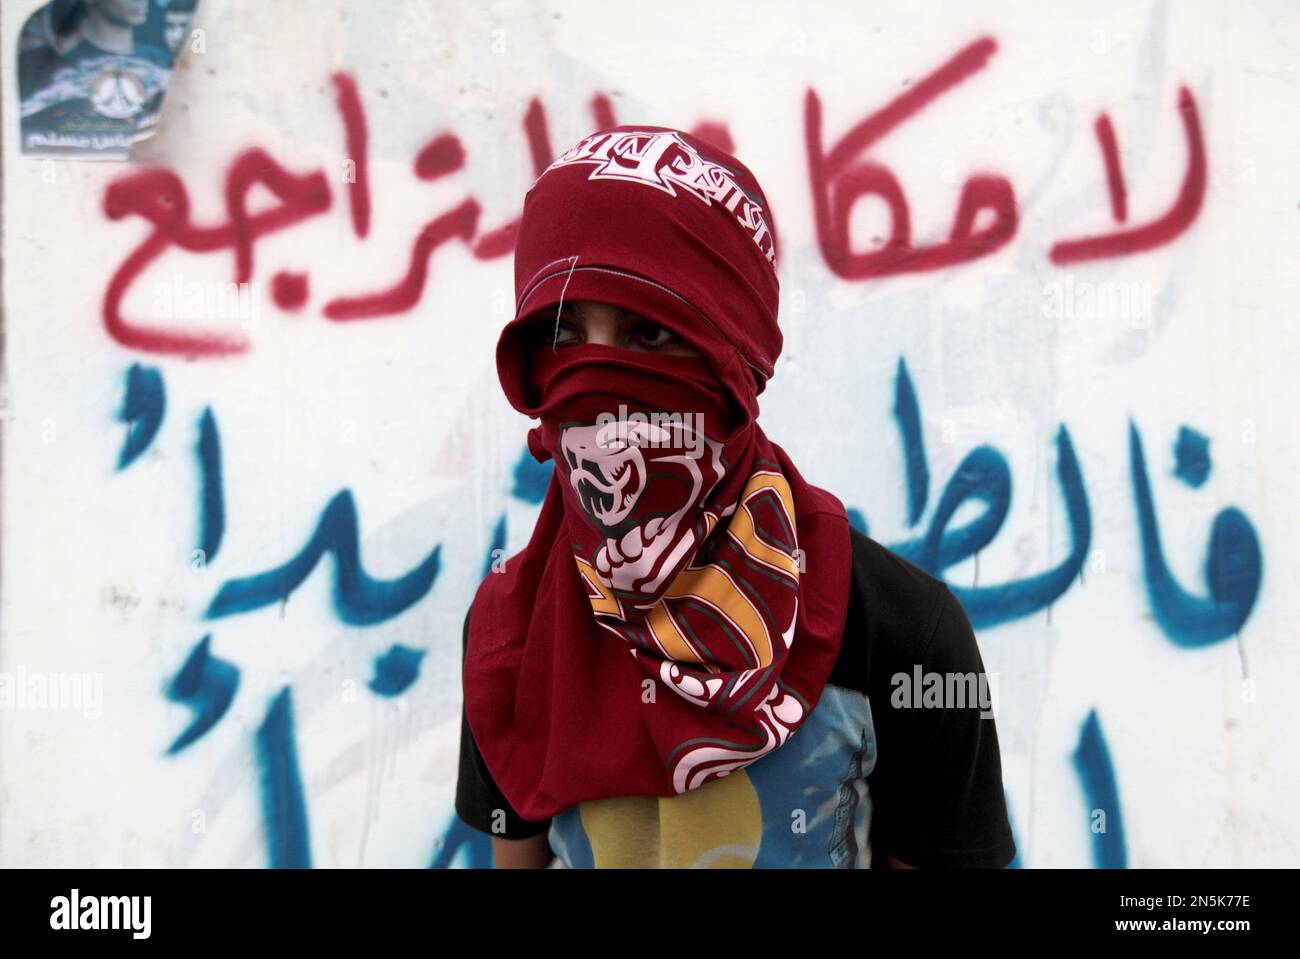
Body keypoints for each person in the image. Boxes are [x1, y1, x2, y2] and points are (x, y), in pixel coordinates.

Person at [456, 125, 1016, 869]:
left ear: (734, 358)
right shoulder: (512, 629)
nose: (596, 388)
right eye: (562, 336)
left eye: (649, 332)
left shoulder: (902, 628)